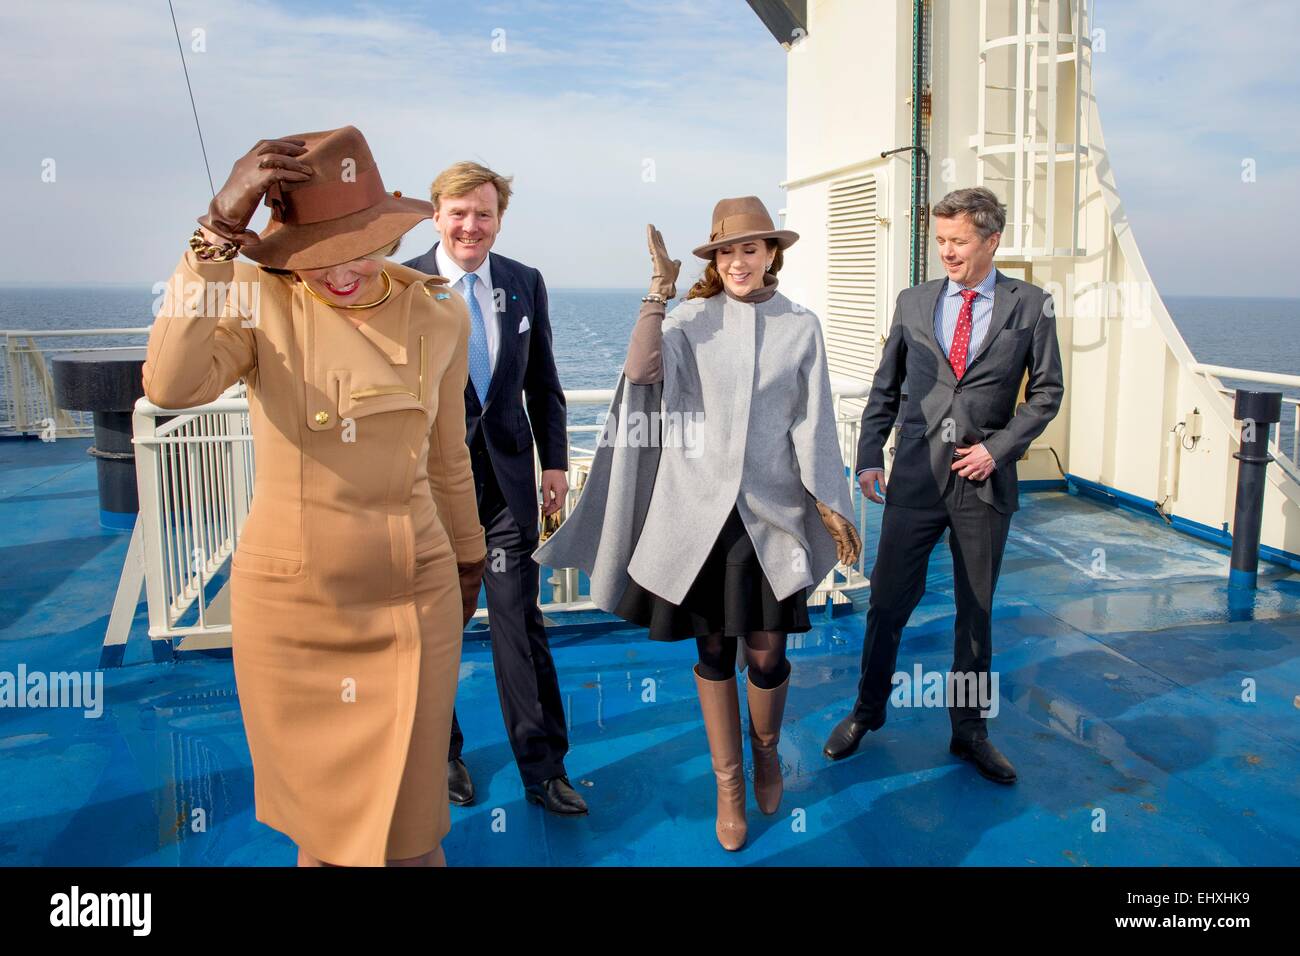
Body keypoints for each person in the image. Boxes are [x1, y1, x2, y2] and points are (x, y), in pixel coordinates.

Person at [142, 127, 487, 866]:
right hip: (296, 610)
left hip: (417, 595)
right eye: (315, 252)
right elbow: (168, 386)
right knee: (329, 840)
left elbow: (447, 453)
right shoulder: (254, 299)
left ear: (386, 232)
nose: (337, 270)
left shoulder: (440, 314)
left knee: (414, 829)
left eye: (355, 245)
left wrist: (469, 557)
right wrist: (217, 231)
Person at [535, 197, 861, 850]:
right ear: (713, 260)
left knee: (768, 651)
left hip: (773, 514)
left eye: (750, 248)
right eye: (726, 252)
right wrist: (657, 293)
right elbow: (639, 372)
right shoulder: (688, 319)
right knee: (714, 650)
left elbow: (814, 418)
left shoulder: (801, 325)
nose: (738, 261)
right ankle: (729, 784)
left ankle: (766, 751)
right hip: (701, 515)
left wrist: (830, 500)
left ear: (772, 253)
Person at [822, 186, 1064, 783]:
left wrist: (998, 449)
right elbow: (886, 385)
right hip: (914, 477)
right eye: (941, 241)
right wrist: (869, 458)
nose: (948, 253)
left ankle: (970, 731)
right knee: (885, 603)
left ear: (991, 240)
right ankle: (867, 711)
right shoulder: (914, 300)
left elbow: (1046, 393)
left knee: (974, 611)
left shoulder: (1031, 304)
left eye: (958, 241)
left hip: (982, 483)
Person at [404, 163, 584, 814]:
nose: (470, 226)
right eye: (458, 213)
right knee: (433, 627)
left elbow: (544, 385)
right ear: (436, 216)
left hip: (509, 484)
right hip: (428, 488)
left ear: (499, 219)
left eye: (483, 213)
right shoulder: (403, 286)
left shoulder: (523, 283)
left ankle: (544, 768)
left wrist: (556, 465)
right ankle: (441, 754)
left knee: (518, 623)